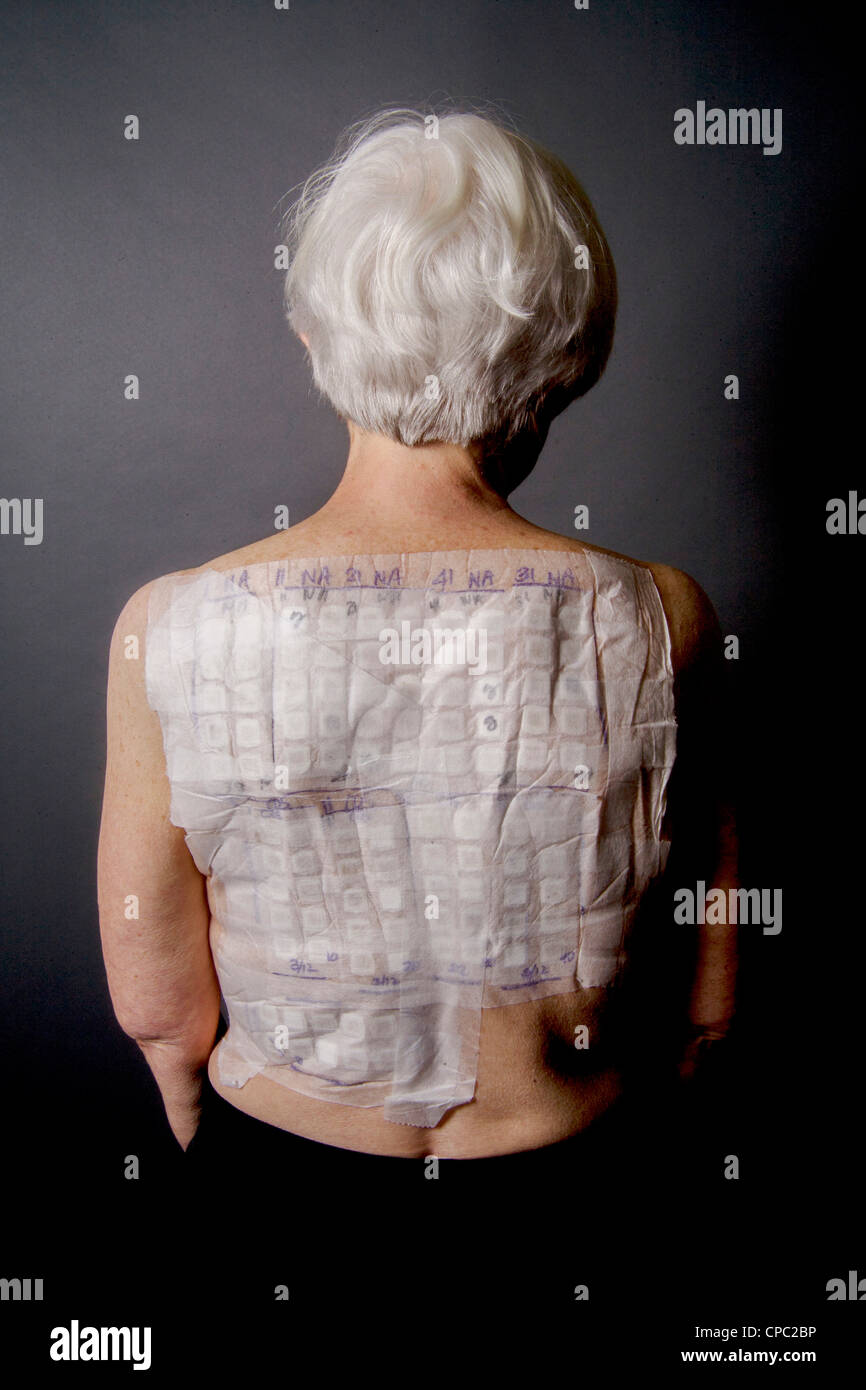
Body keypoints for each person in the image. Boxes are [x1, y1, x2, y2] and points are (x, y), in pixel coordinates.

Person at [97, 106, 737, 1199]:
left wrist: (206, 1135)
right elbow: (705, 993)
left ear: (313, 333)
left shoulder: (172, 625)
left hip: (283, 1170)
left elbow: (159, 1007)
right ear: (568, 350)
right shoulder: (659, 616)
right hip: (579, 1168)